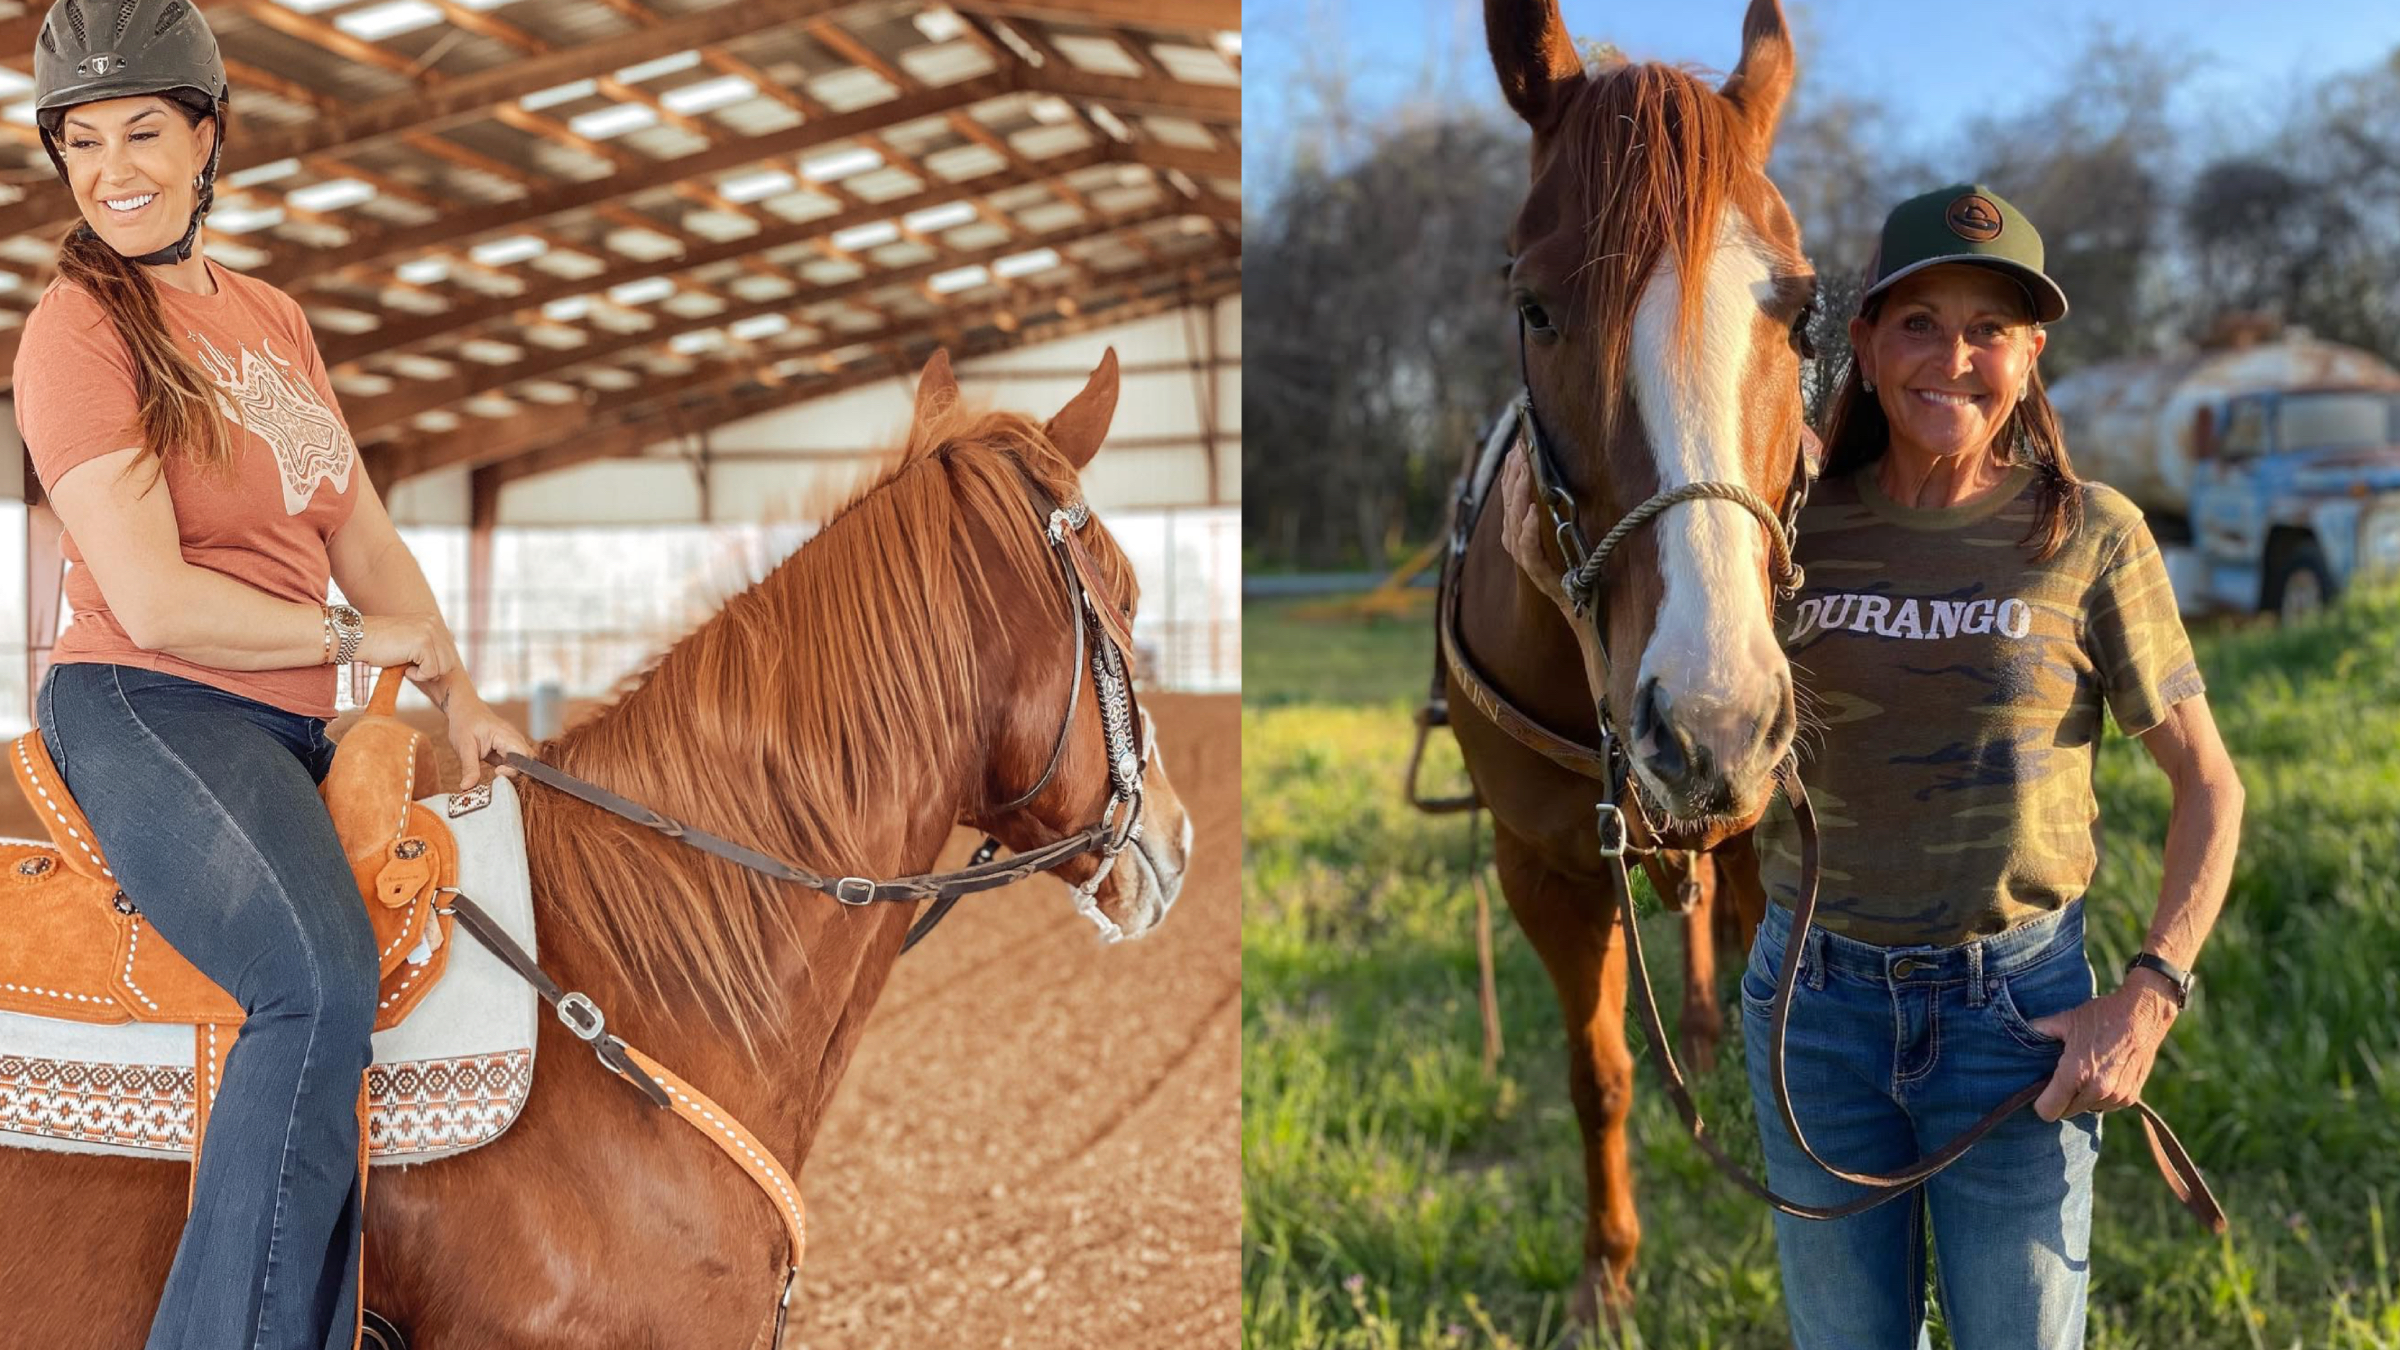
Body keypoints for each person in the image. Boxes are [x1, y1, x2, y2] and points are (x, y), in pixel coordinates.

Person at [12, 2, 536, 1346]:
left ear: (206, 141)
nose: (114, 168)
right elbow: (156, 597)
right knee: (314, 977)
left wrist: (462, 694)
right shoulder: (76, 334)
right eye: (83, 143)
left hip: (297, 715)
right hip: (152, 700)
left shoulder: (272, 321)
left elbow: (362, 539)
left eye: (143, 131)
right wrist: (370, 648)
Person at [1733, 184, 2245, 1348]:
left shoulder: (2092, 533)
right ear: (1862, 341)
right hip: (1813, 1010)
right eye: (1919, 322)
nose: (1951, 359)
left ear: (2030, 354)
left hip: (2014, 1022)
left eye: (1988, 331)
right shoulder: (1789, 527)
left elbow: (2210, 783)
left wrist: (2149, 994)